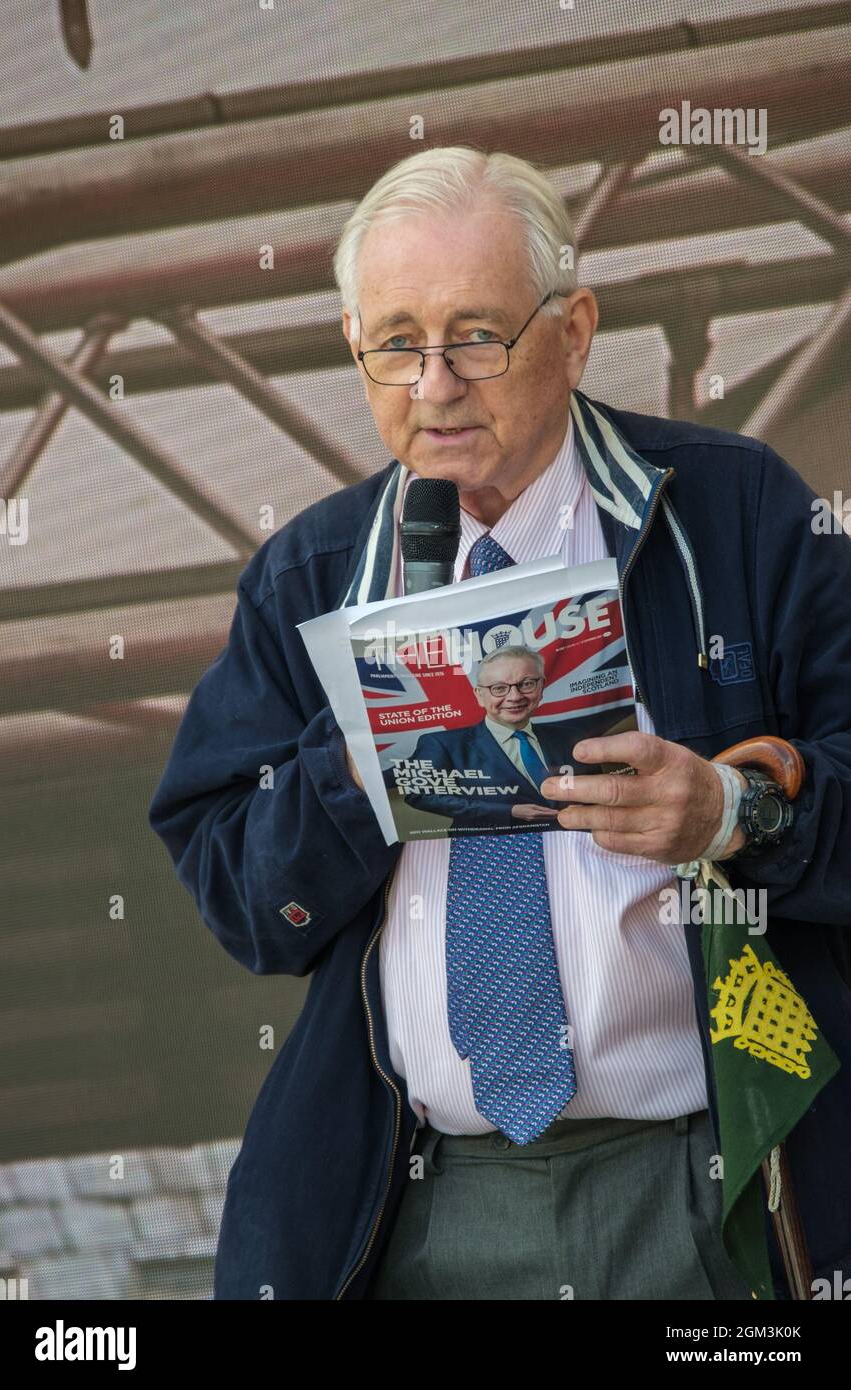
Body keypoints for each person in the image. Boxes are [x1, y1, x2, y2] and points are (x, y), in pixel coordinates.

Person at [148, 145, 851, 1301]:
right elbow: (239, 897)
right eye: (394, 343)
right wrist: (365, 761)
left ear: (572, 332)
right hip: (418, 1205)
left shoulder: (737, 511)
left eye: (477, 334)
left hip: (702, 1183)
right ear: (351, 346)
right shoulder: (311, 574)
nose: (433, 384)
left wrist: (732, 810)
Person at [396, 646, 629, 829]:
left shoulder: (574, 737)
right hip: (486, 855)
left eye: (526, 684)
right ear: (479, 695)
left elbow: (594, 797)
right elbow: (418, 794)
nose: (514, 696)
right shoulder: (440, 743)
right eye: (499, 688)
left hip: (577, 850)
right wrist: (508, 812)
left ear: (541, 688)